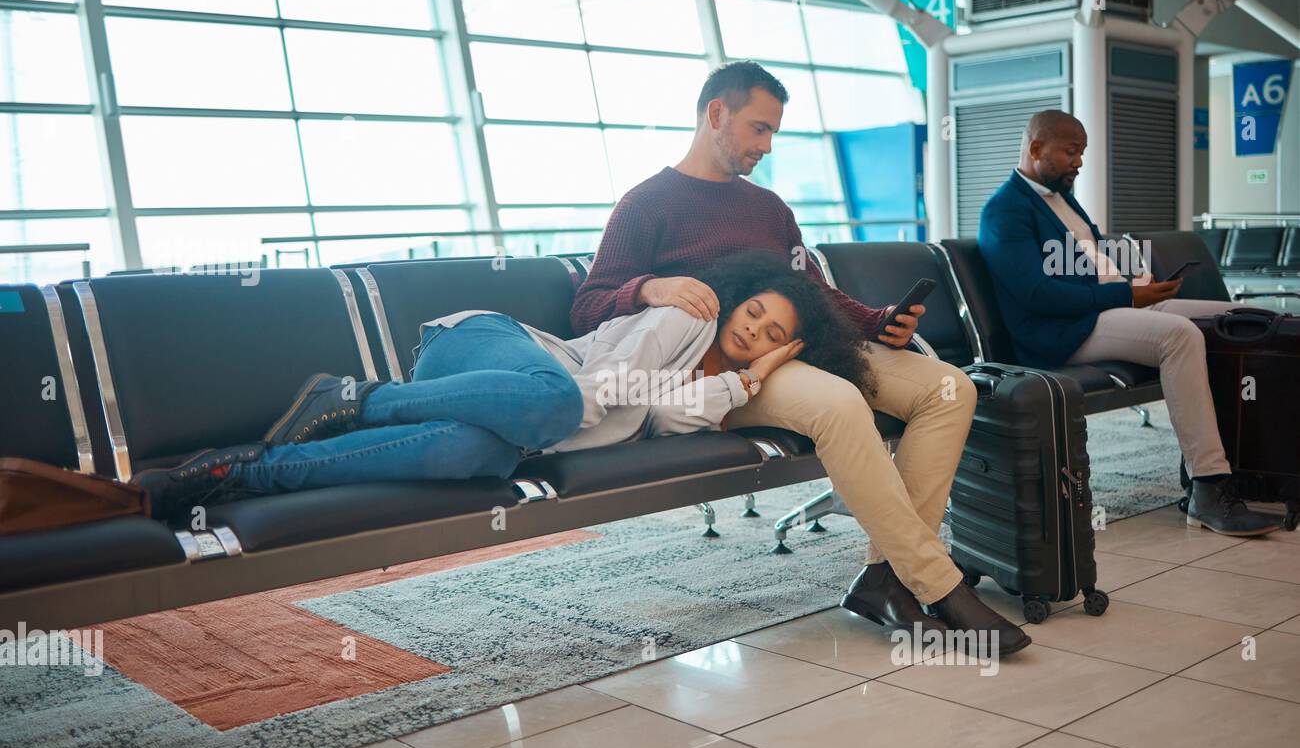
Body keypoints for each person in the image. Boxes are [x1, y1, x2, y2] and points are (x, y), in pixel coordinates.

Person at [570, 60, 1030, 655]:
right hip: (728, 371)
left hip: (806, 349)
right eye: (758, 129)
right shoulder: (646, 205)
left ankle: (884, 577)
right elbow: (588, 307)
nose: (766, 145)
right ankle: (940, 586)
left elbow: (814, 288)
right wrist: (651, 287)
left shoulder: (768, 208)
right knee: (839, 404)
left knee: (949, 389)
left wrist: (877, 321)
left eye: (773, 133)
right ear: (717, 114)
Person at [132, 251, 869, 522]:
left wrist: (747, 384)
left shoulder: (720, 384)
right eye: (755, 314)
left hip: (501, 416)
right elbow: (611, 387)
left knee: (473, 454)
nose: (753, 334)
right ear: (736, 299)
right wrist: (702, 384)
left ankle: (241, 473)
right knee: (554, 402)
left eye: (774, 338)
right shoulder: (685, 317)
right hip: (486, 344)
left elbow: (665, 422)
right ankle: (359, 398)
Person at [978, 109, 1278, 537]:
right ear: (1036, 149)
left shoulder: (1062, 199)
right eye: (1071, 151)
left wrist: (1136, 283)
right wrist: (1126, 295)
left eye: (1082, 152)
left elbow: (1094, 260)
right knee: (1179, 336)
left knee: (1239, 319)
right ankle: (1209, 488)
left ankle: (1262, 464)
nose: (1079, 162)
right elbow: (1037, 295)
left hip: (1104, 310)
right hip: (1060, 334)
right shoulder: (1004, 211)